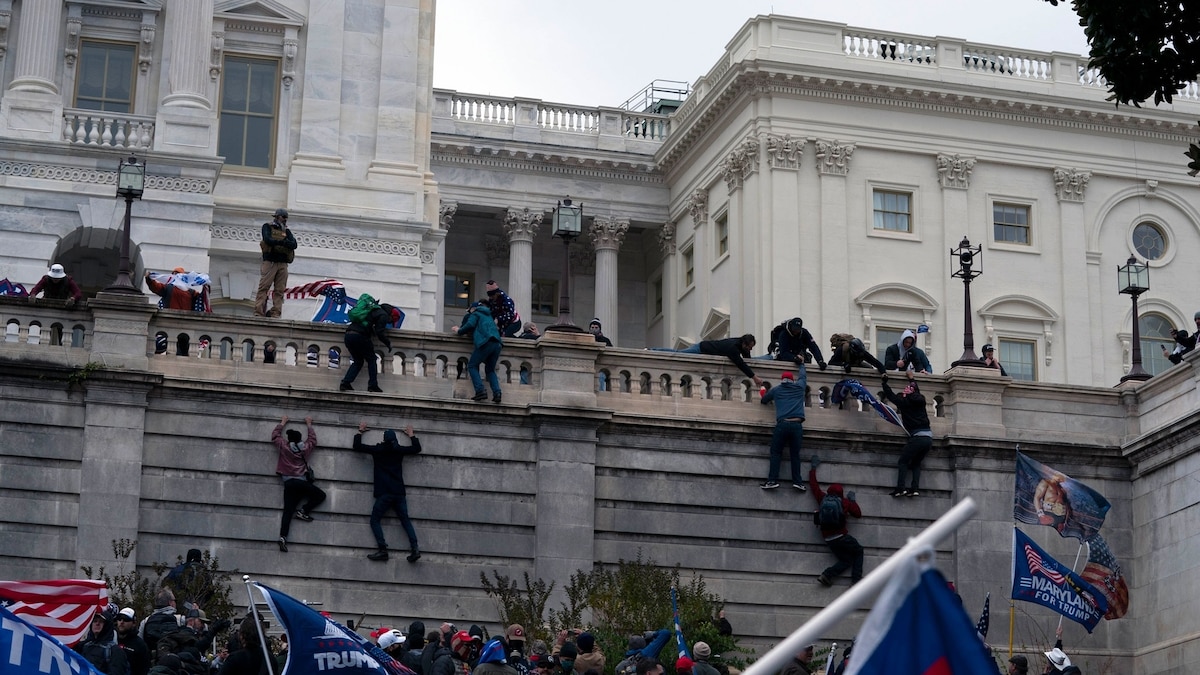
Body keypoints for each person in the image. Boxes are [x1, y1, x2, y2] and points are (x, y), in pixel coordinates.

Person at [353, 421, 423, 563]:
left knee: (374, 520)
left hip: (384, 492)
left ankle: (383, 550)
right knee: (405, 521)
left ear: (384, 439)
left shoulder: (378, 450)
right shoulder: (399, 450)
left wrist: (360, 431)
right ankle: (415, 548)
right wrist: (411, 435)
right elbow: (416, 448)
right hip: (398, 492)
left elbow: (357, 447)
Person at [808, 455, 864, 586]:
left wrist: (813, 468)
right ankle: (856, 582)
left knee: (846, 560)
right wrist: (852, 500)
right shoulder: (844, 502)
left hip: (828, 538)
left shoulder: (822, 498)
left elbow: (813, 485)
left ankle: (827, 575)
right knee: (859, 550)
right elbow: (858, 514)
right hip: (841, 536)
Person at [273, 415, 322, 552]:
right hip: (301, 482)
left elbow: (275, 436)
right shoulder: (305, 448)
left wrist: (282, 422)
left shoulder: (284, 446)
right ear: (300, 439)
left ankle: (283, 537)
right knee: (320, 495)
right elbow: (313, 440)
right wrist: (309, 424)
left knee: (288, 511)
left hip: (288, 483)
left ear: (289, 439)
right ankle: (303, 511)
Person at [880, 370, 933, 497]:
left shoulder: (904, 403)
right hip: (929, 437)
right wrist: (912, 378)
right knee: (916, 463)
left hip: (917, 438)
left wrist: (884, 383)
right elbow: (916, 389)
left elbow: (891, 396)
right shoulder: (920, 400)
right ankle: (914, 489)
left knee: (903, 462)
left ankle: (901, 488)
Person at [759, 369, 808, 491]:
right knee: (795, 455)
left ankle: (772, 481)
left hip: (783, 424)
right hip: (797, 425)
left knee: (776, 453)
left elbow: (764, 400)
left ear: (782, 380)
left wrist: (763, 391)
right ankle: (798, 482)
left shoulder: (777, 390)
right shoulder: (800, 387)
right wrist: (801, 364)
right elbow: (803, 376)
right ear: (792, 380)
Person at [655, 335, 764, 388]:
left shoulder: (740, 344)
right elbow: (740, 363)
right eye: (750, 347)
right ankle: (653, 351)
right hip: (701, 349)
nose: (751, 349)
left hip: (705, 352)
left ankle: (682, 380)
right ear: (744, 344)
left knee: (690, 368)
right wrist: (754, 377)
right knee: (678, 354)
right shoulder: (733, 348)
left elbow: (747, 360)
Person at [339, 302, 400, 392]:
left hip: (349, 335)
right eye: (391, 321)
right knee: (372, 359)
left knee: (358, 361)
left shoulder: (373, 309)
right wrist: (388, 343)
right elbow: (379, 332)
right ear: (391, 316)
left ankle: (345, 383)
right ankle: (372, 385)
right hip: (360, 336)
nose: (389, 322)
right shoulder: (383, 315)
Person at [454, 300, 504, 403]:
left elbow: (470, 325)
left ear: (472, 308)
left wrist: (458, 330)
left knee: (472, 365)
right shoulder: (489, 316)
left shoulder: (476, 313)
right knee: (490, 370)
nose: (469, 312)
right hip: (497, 343)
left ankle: (480, 391)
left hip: (486, 341)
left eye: (469, 310)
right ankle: (497, 393)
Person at [254, 208, 297, 317]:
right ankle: (258, 311)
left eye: (286, 218)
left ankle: (276, 312)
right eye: (283, 217)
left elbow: (294, 244)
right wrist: (282, 242)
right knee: (264, 287)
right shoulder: (267, 227)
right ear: (277, 217)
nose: (285, 220)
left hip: (282, 263)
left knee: (280, 290)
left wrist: (280, 242)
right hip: (270, 261)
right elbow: (268, 239)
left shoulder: (286, 231)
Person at [77, 607, 131, 675]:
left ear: (107, 625)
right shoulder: (85, 646)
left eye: (101, 621)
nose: (97, 624)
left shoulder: (115, 651)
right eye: (95, 621)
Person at [116, 608, 151, 675]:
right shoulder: (112, 639)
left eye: (126, 619)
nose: (122, 622)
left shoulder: (140, 645)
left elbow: (144, 669)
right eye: (119, 619)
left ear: (134, 623)